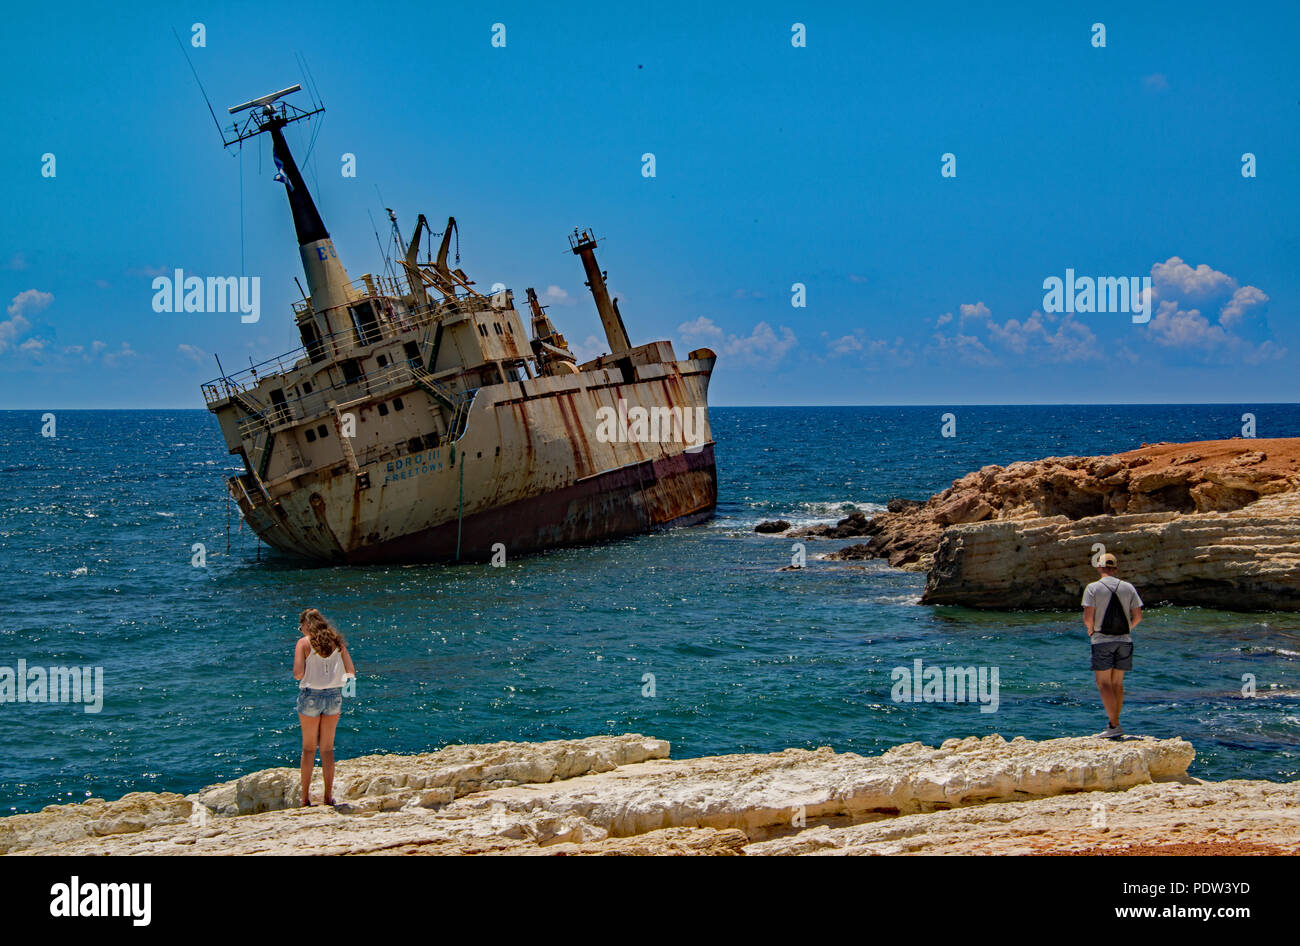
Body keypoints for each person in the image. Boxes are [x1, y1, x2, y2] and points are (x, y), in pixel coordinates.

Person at [293, 608, 356, 806]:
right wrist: (346, 691)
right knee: (327, 749)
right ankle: (328, 797)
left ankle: (305, 799)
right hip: (334, 696)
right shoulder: (337, 642)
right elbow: (351, 672)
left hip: (311, 695)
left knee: (309, 749)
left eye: (300, 626)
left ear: (306, 625)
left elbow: (297, 674)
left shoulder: (303, 643)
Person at [1082, 553, 1142, 739]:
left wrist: (1091, 631)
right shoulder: (1128, 587)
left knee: (1104, 684)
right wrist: (1127, 629)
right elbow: (1138, 616)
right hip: (1125, 640)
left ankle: (1114, 725)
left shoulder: (1093, 588)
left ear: (1099, 568)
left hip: (1102, 640)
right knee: (1117, 683)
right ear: (1115, 569)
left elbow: (1088, 618)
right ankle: (1114, 724)